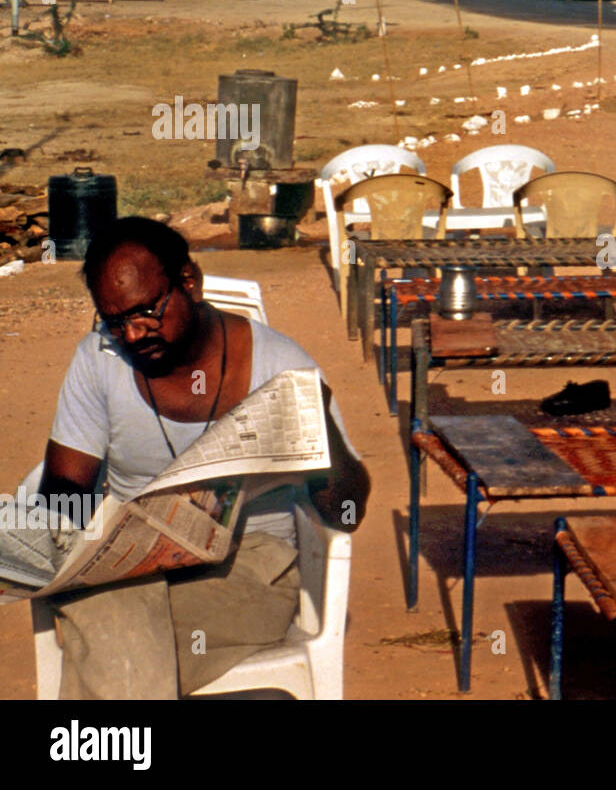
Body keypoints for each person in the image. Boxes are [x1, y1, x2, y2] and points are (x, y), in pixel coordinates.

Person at [39, 217, 370, 698]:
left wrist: (320, 430)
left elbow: (348, 513)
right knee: (113, 619)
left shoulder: (280, 365)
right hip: (131, 568)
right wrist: (66, 546)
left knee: (114, 642)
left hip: (248, 570)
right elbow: (64, 491)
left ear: (189, 282)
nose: (132, 335)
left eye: (147, 312)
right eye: (114, 321)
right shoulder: (98, 361)